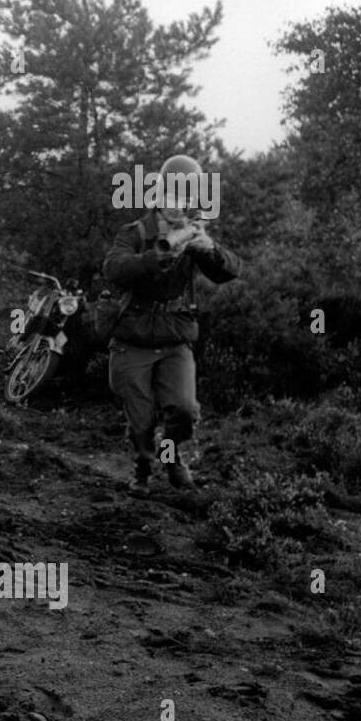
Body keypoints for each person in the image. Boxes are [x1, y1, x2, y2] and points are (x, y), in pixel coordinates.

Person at [102, 153, 241, 497]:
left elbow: (230, 272)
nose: (179, 206)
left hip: (174, 338)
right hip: (132, 340)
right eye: (174, 197)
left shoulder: (192, 234)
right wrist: (156, 256)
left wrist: (210, 250)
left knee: (183, 408)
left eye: (187, 198)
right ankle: (143, 467)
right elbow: (114, 269)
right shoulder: (134, 233)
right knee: (141, 418)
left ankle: (172, 456)